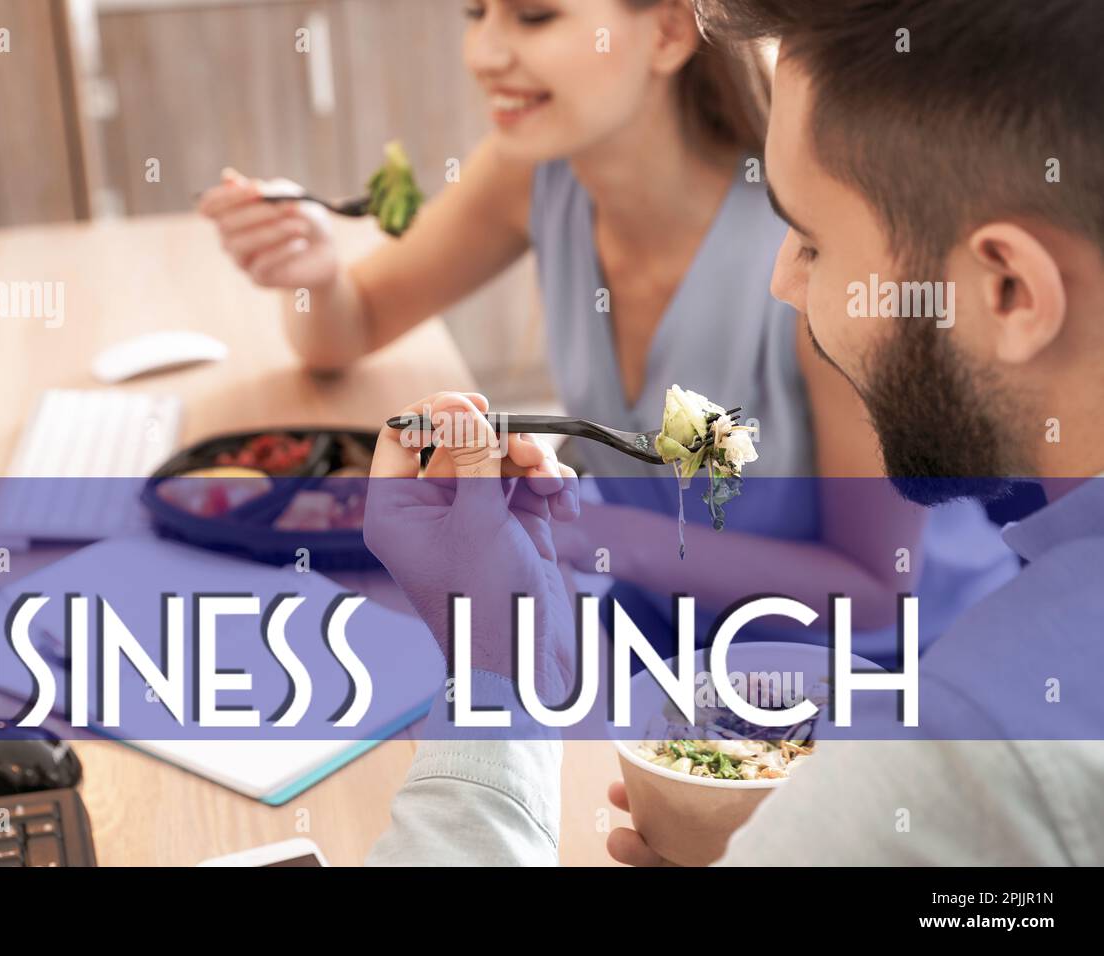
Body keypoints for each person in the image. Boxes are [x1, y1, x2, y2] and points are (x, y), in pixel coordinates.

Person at [365, 0, 1104, 866]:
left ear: (1010, 292)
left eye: (814, 242)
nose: (782, 281)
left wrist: (496, 668)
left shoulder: (969, 747)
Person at [199, 0, 1014, 662]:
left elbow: (874, 585)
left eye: (533, 16)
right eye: (475, 13)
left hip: (876, 665)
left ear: (667, 31)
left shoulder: (814, 260)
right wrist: (311, 276)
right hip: (668, 635)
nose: (485, 52)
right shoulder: (535, 172)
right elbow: (348, 328)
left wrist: (594, 535)